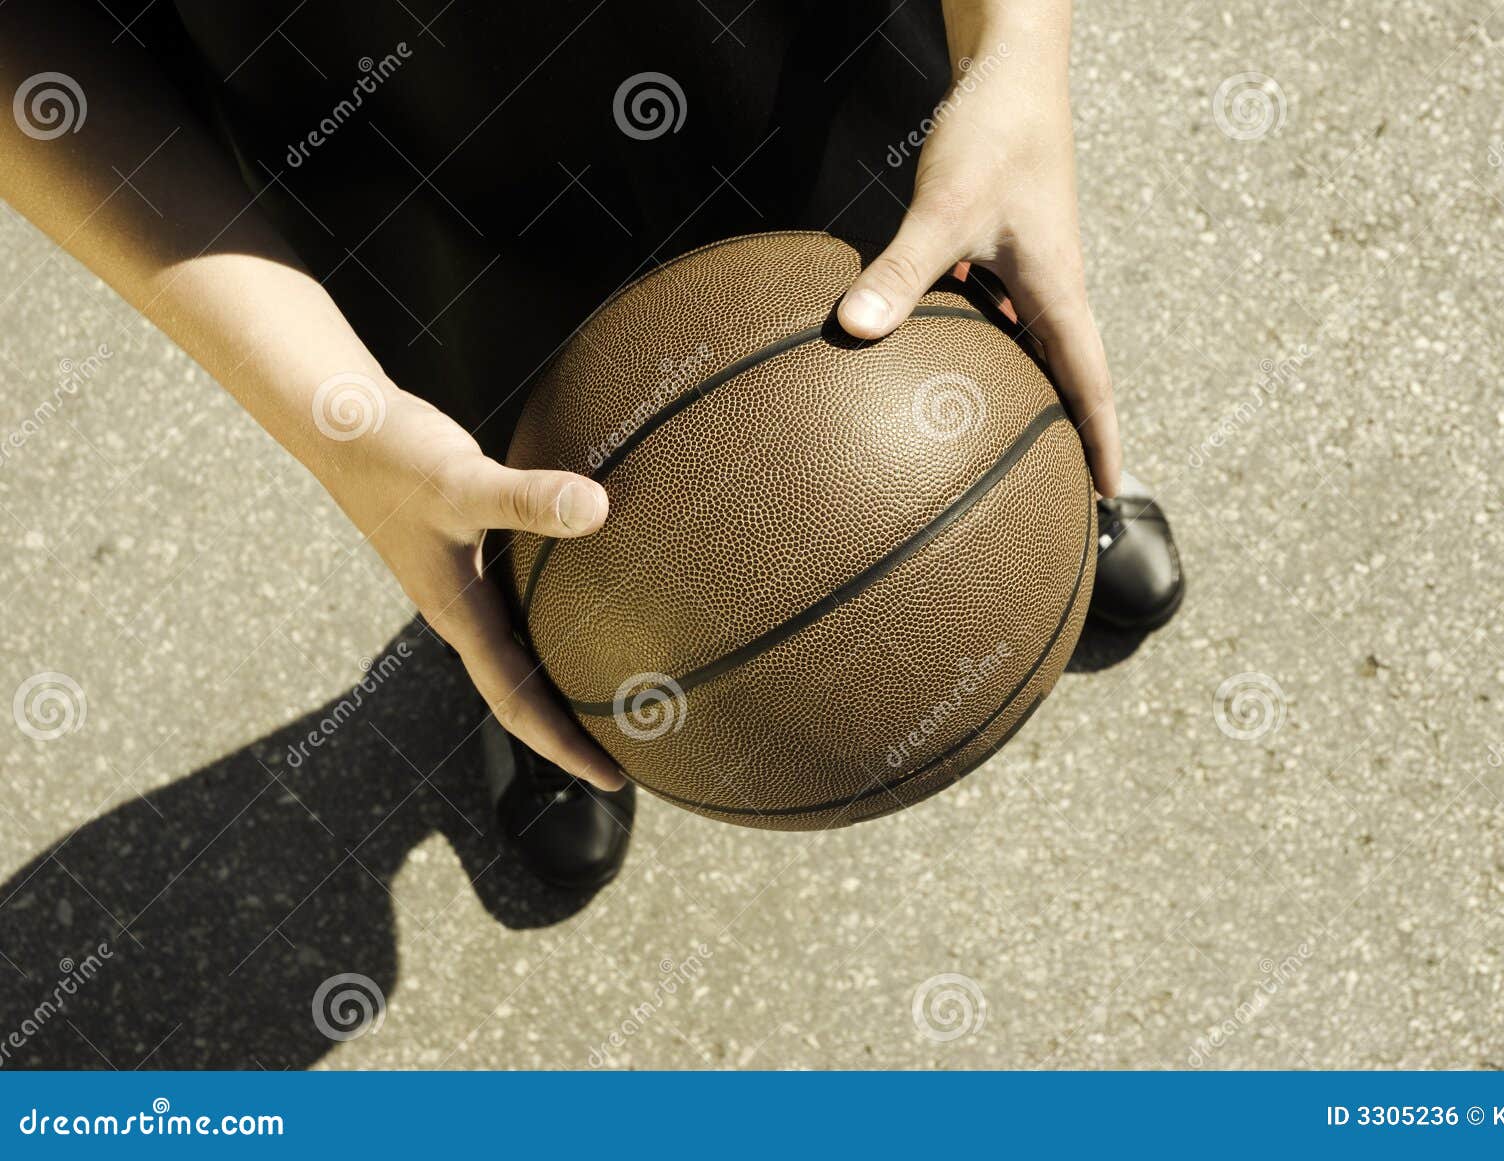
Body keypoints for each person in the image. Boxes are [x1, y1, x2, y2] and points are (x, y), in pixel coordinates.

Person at [0, 0, 1182, 891]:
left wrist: (1016, 58)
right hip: (419, 174)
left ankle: (1041, 505)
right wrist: (328, 408)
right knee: (523, 501)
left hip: (806, 75)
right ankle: (565, 667)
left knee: (943, 367)